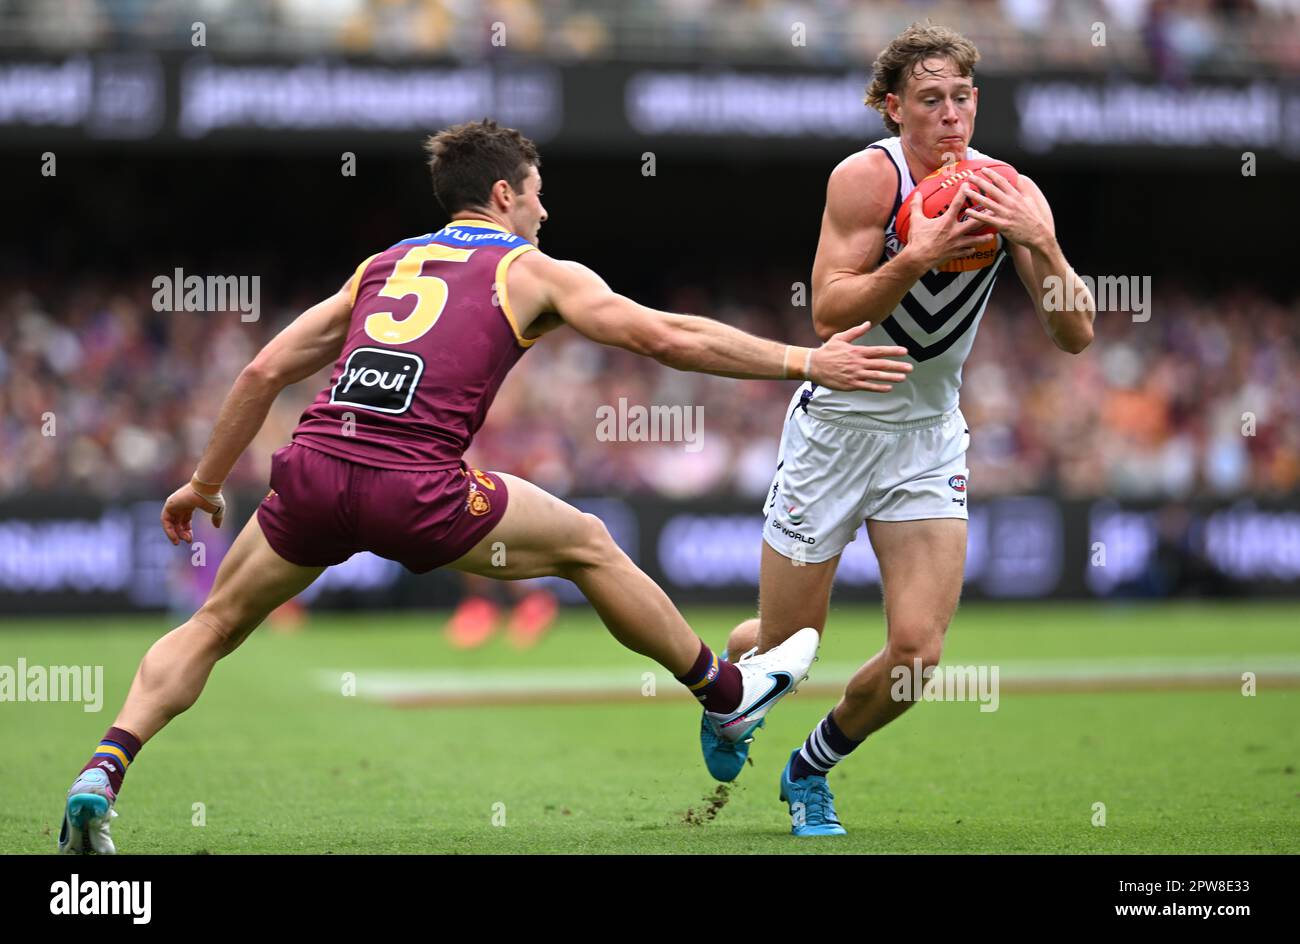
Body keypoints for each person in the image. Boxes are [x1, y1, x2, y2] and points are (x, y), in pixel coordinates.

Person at [57, 118, 917, 853]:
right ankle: (725, 698)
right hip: (415, 487)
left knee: (210, 624)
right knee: (587, 545)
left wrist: (202, 483)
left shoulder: (381, 265)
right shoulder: (533, 269)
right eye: (538, 191)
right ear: (504, 195)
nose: (547, 208)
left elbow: (262, 369)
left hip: (315, 472)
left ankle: (105, 767)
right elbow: (663, 336)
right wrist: (807, 359)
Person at [698, 23, 1096, 836]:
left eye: (962, 98)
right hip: (836, 429)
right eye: (930, 100)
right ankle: (738, 680)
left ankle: (811, 769)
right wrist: (914, 256)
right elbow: (830, 308)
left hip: (925, 438)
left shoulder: (1008, 188)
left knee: (918, 658)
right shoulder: (863, 179)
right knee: (789, 643)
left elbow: (1076, 334)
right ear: (892, 108)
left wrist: (1043, 242)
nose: (951, 116)